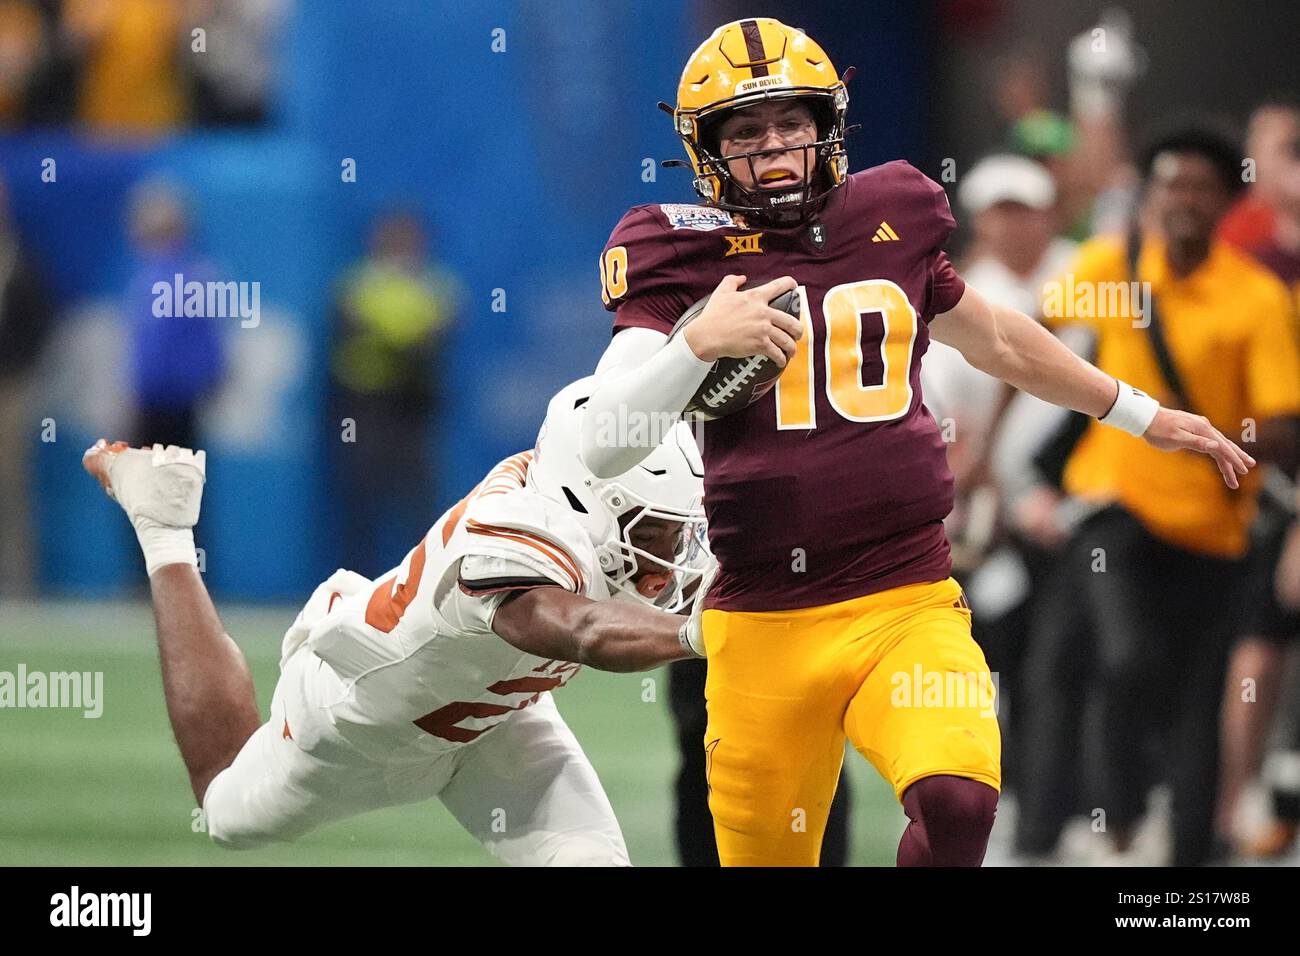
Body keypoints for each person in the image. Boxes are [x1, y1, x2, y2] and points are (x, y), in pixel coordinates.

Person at [579, 17, 1253, 867]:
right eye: (746, 132)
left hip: (905, 593)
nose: (776, 147)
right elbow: (607, 435)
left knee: (959, 797)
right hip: (760, 617)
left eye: (792, 121)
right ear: (705, 149)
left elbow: (999, 341)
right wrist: (695, 345)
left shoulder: (890, 211)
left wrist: (1140, 414)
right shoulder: (674, 249)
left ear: (830, 123)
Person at [81, 378, 713, 866]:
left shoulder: (573, 484)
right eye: (655, 531)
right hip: (357, 721)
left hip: (493, 718)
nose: (672, 557)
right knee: (224, 809)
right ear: (590, 504)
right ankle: (163, 526)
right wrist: (702, 632)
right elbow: (582, 631)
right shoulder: (514, 532)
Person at [1024, 123, 1300, 866]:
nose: (1182, 199)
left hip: (1214, 529)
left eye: (1200, 186)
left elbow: (1284, 423)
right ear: (1148, 195)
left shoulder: (1257, 297)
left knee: (1201, 704)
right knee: (1127, 656)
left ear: (1226, 202)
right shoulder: (1111, 264)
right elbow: (1026, 336)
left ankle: (1187, 864)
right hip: (1115, 510)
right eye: (1170, 183)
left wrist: (1214, 434)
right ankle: (1112, 809)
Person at [328, 210, 462, 576]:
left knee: (419, 502)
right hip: (366, 409)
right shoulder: (357, 284)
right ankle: (353, 582)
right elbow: (356, 326)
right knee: (361, 502)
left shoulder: (435, 284)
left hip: (413, 410)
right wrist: (402, 339)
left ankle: (428, 581)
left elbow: (437, 330)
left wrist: (397, 339)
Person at [0, 172, 55, 595]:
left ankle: (19, 580)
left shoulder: (20, 259)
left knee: (12, 486)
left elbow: (38, 322)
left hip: (9, 390)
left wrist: (18, 367)